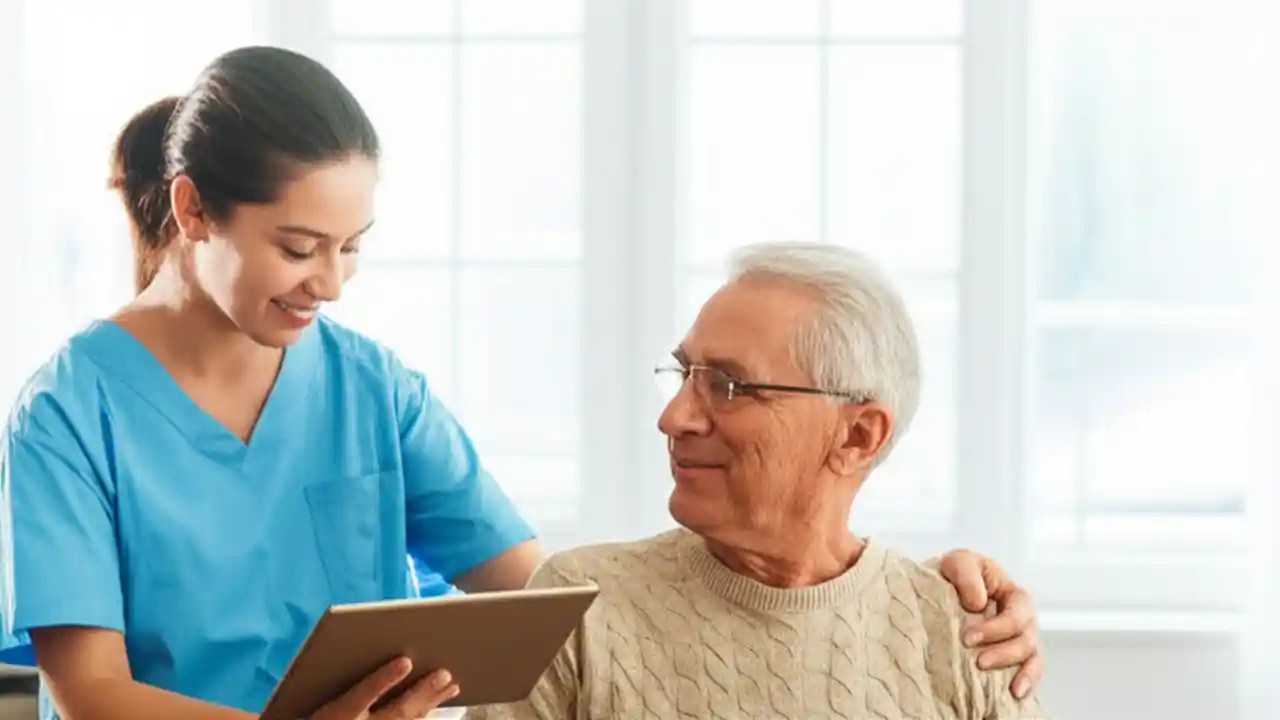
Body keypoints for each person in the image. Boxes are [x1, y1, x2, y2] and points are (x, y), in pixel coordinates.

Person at [0, 46, 1040, 719]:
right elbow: (87, 689)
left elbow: (549, 607)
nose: (331, 283)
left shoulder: (372, 392)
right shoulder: (69, 412)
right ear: (191, 210)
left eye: (353, 247)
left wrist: (895, 592)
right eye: (298, 246)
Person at [468, 244, 1049, 719]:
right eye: (684, 374)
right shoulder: (580, 609)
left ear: (857, 437)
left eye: (728, 386)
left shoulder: (961, 632)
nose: (674, 418)